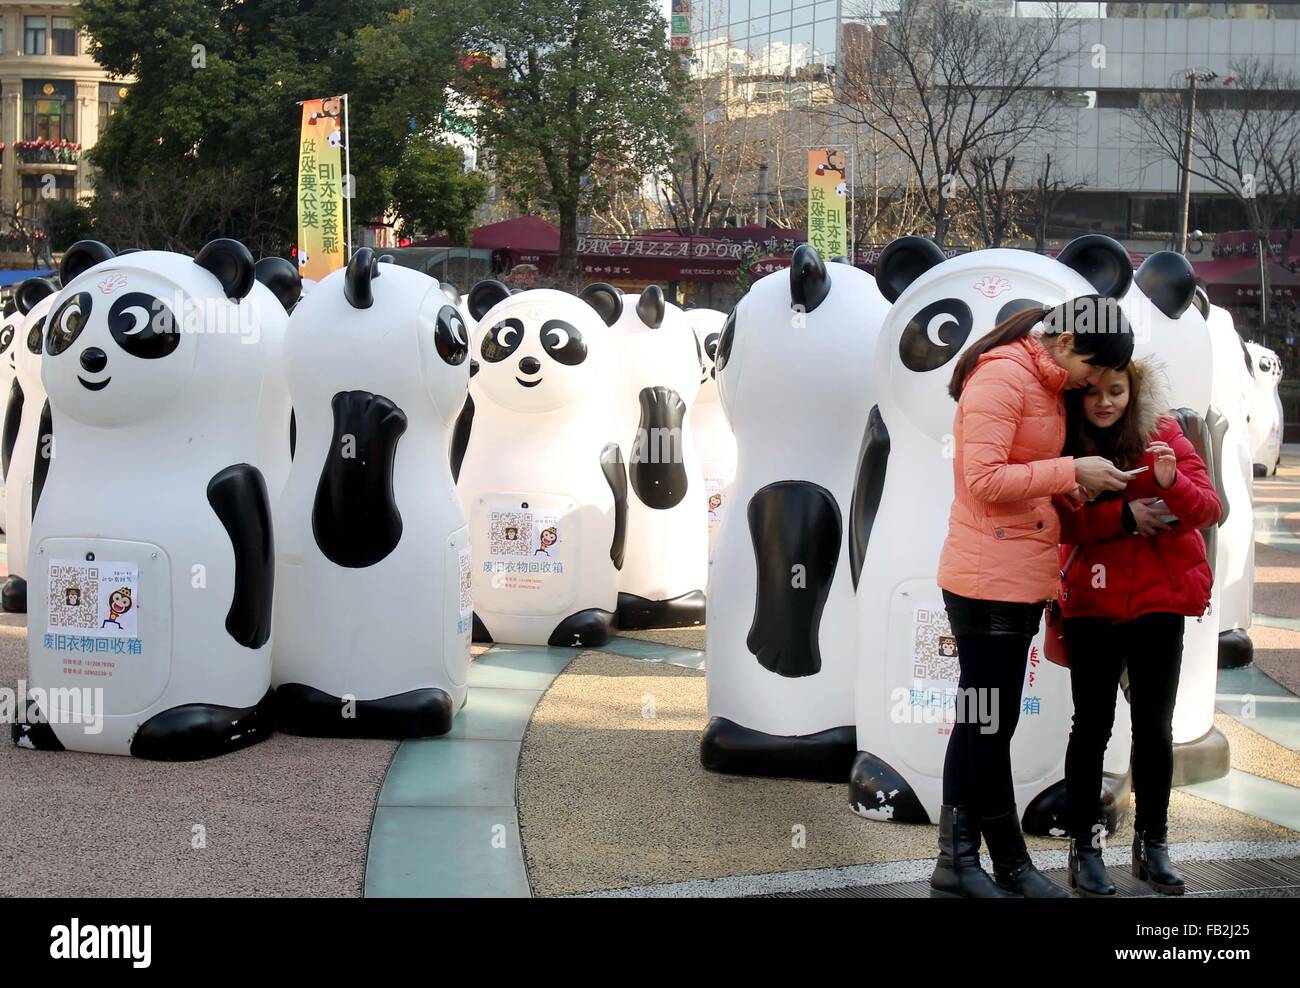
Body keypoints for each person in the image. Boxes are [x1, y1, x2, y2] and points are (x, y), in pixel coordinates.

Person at [932, 295, 1135, 899]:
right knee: (990, 725)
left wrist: (1071, 491)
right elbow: (985, 480)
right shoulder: (1003, 376)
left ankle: (958, 862)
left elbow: (1024, 477)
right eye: (1091, 373)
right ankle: (1008, 865)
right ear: (1069, 342)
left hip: (1011, 573)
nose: (1091, 387)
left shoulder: (1040, 380)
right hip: (984, 577)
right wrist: (1072, 473)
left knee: (980, 722)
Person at [1056, 359, 1221, 897]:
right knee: (1092, 727)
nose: (1105, 402)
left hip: (1159, 601)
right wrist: (1125, 517)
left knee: (1154, 728)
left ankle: (1153, 844)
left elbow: (1209, 509)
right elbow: (1060, 521)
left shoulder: (1164, 432)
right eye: (1094, 392)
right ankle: (1085, 848)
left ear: (1135, 391)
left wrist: (1172, 486)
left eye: (1117, 391)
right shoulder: (1067, 442)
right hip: (1093, 600)